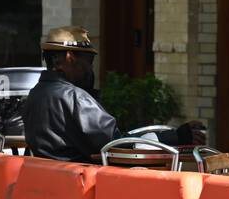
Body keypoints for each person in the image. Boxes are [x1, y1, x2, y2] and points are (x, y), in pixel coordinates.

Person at [23, 26, 203, 163]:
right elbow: (117, 145)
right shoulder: (74, 97)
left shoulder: (35, 94)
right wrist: (177, 137)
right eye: (89, 61)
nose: (90, 68)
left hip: (50, 185)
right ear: (70, 57)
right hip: (81, 186)